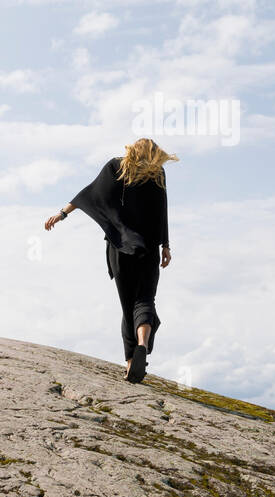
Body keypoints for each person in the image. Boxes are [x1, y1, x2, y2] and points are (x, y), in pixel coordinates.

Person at [44, 138, 177, 383]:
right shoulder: (157, 173)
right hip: (148, 249)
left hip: (120, 248)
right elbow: (161, 209)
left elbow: (90, 193)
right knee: (145, 301)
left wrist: (62, 214)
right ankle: (142, 344)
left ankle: (131, 364)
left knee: (128, 307)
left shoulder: (117, 167)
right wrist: (165, 245)